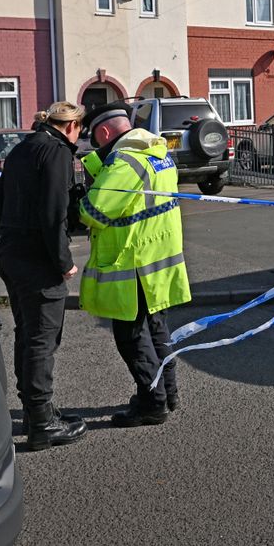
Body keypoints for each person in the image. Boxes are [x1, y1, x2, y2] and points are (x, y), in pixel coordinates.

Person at [79, 102, 191, 427]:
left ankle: (151, 403)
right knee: (158, 330)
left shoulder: (124, 162)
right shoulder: (158, 153)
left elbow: (94, 211)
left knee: (131, 336)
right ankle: (168, 393)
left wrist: (82, 195)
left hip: (133, 264)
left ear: (102, 133)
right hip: (159, 260)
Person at [0, 101, 88, 451]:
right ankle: (43, 423)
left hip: (10, 250)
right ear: (72, 126)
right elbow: (53, 214)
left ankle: (37, 412)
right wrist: (64, 262)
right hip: (37, 258)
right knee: (42, 340)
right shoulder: (58, 153)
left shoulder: (22, 148)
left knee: (28, 333)